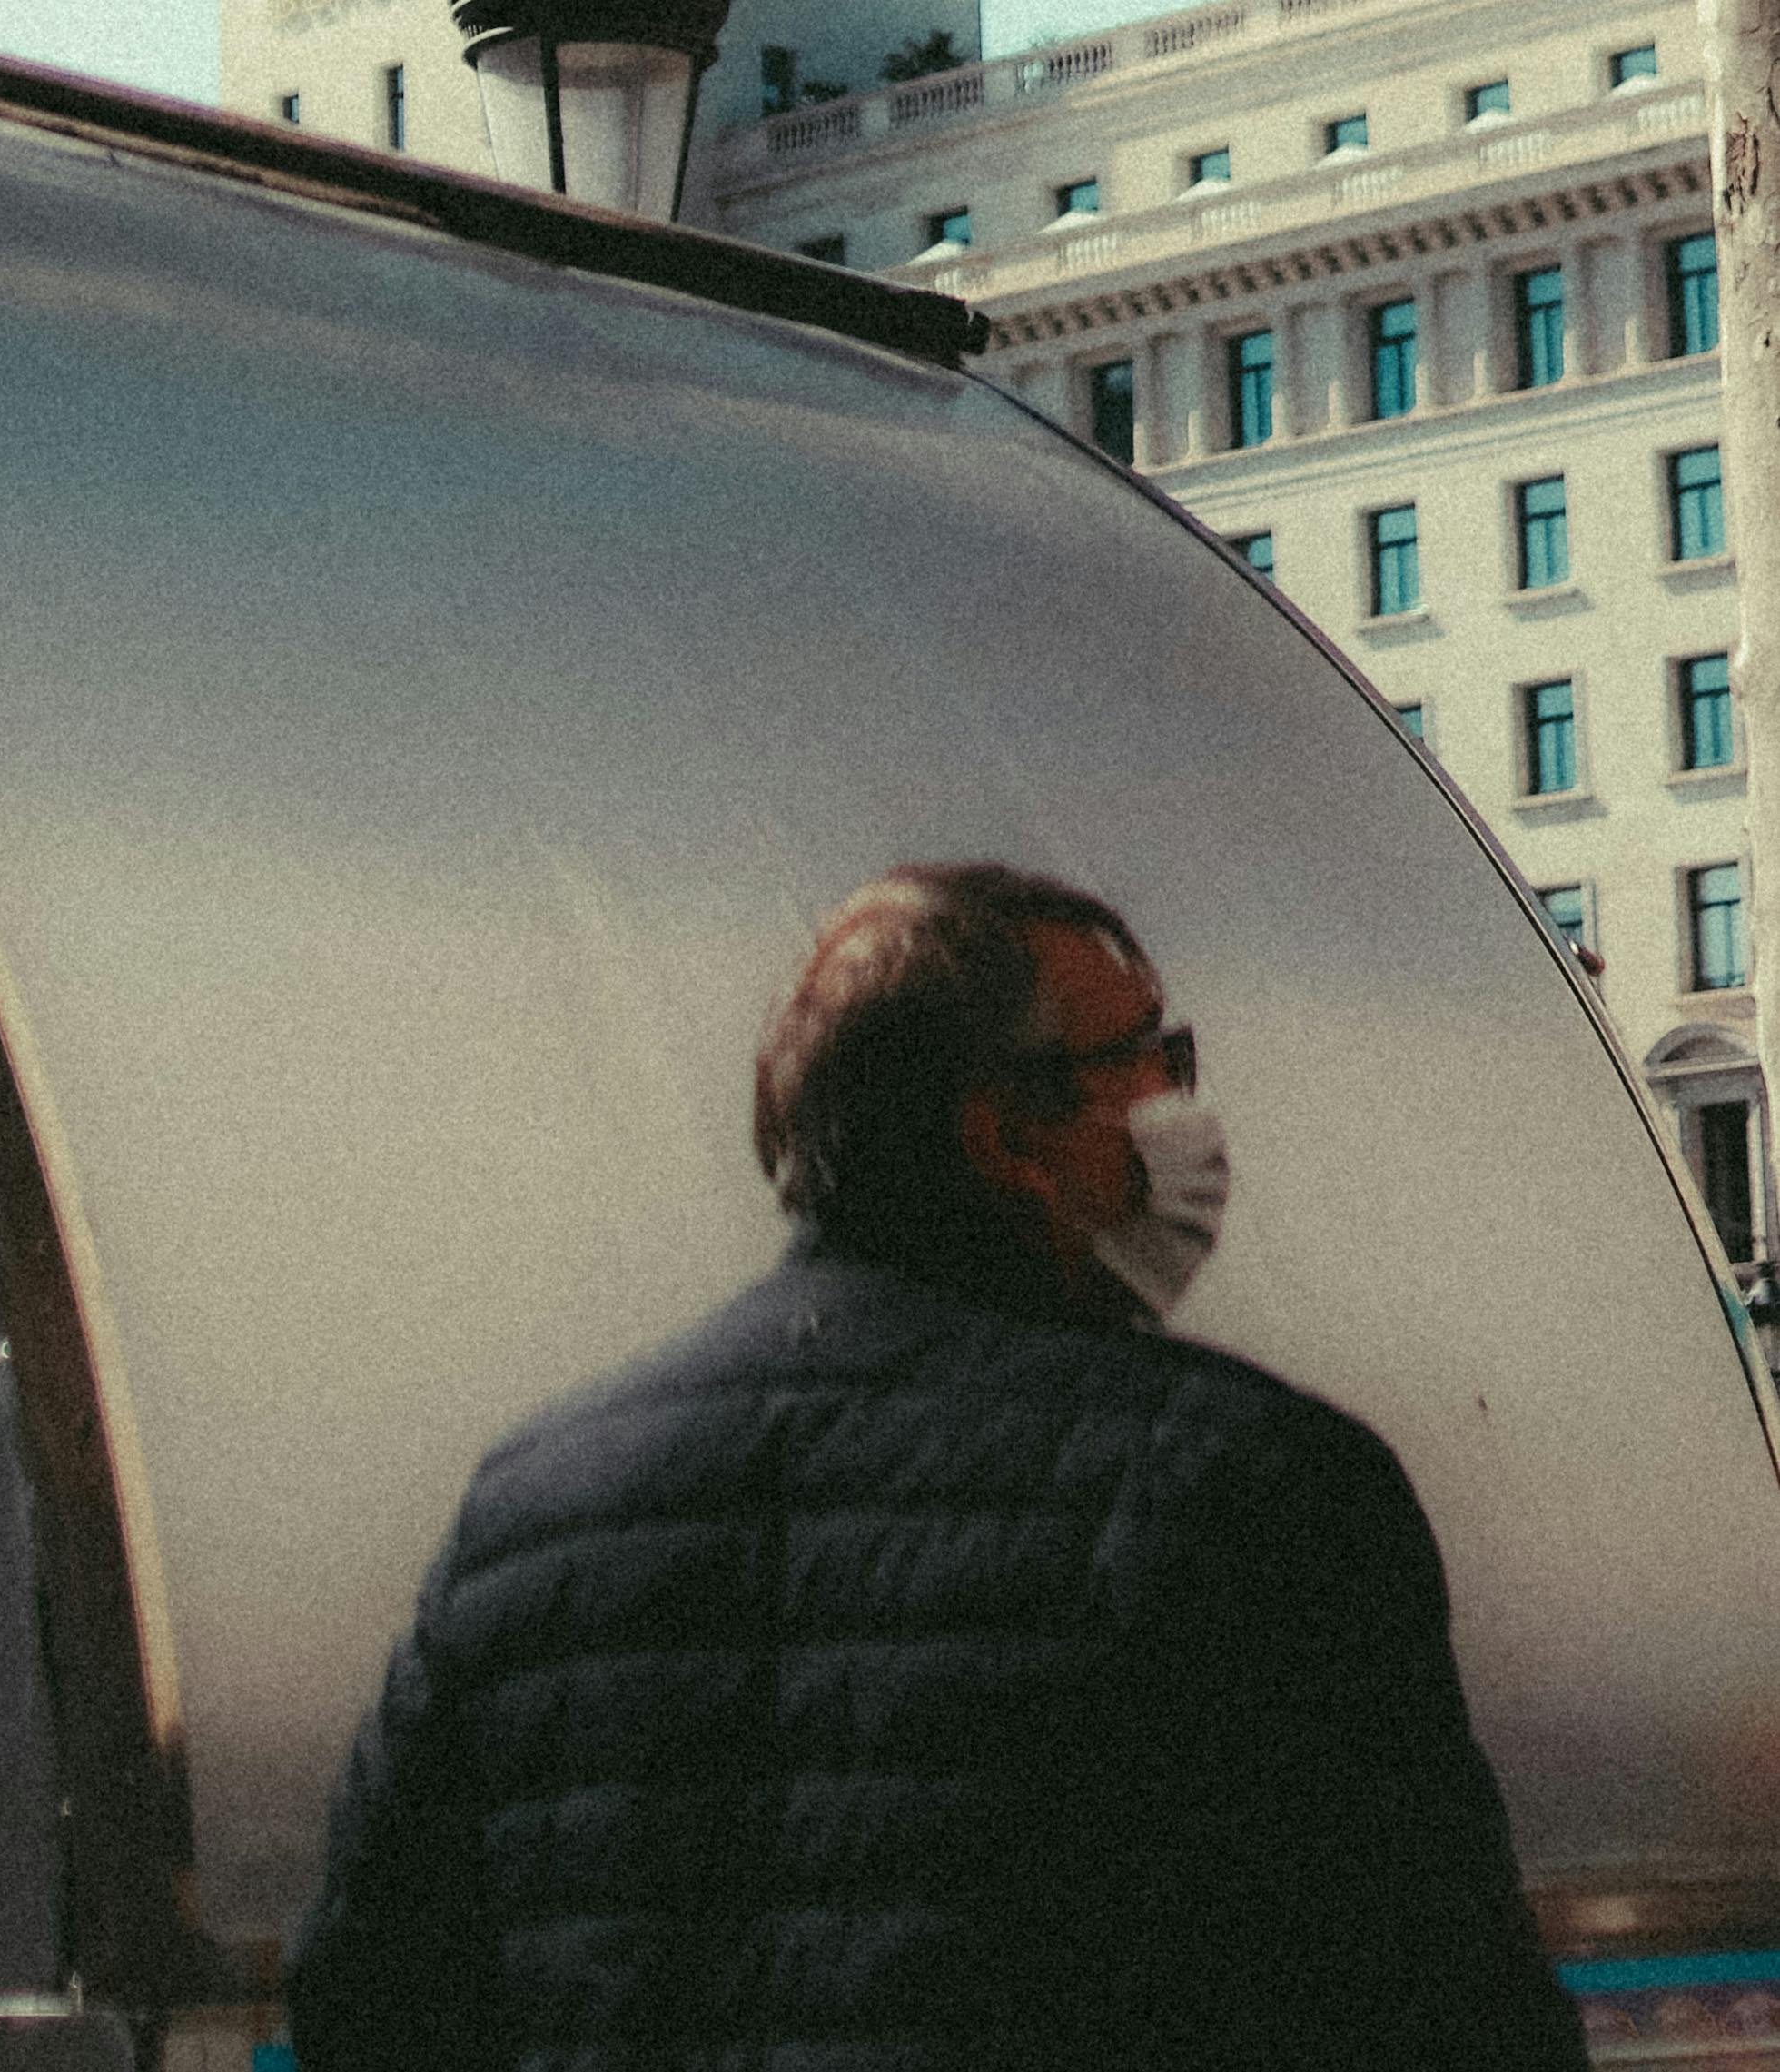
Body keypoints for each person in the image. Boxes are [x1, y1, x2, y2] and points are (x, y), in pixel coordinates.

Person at [288, 861, 1585, 2072]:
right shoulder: (1259, 1490)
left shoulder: (530, 1508)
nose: (1182, 1110)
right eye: (1149, 1057)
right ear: (1004, 1137)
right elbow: (1439, 2011)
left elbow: (370, 1999)